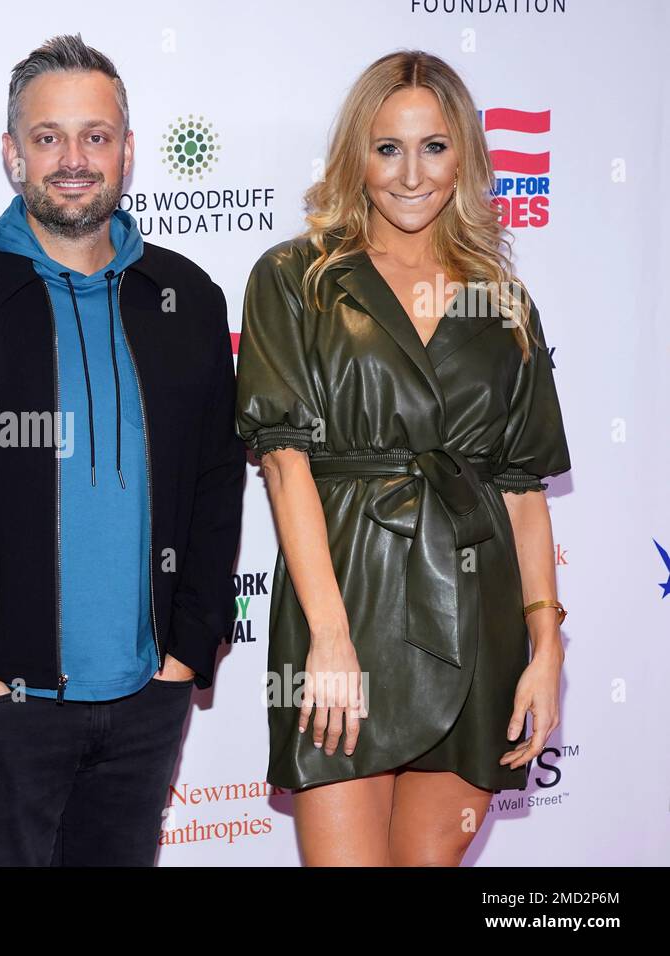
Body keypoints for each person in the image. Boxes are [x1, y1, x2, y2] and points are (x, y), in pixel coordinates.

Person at [0, 35, 244, 866]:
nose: (73, 160)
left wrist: (188, 650)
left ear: (128, 151)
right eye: (48, 138)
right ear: (12, 154)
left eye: (95, 136)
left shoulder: (185, 298)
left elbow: (219, 484)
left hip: (149, 701)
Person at [236, 51, 571, 866]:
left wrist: (547, 647)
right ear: (357, 156)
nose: (411, 174)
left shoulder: (506, 303)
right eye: (388, 148)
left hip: (474, 616)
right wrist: (329, 640)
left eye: (434, 147)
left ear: (465, 157)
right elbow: (285, 464)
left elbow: (522, 491)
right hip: (347, 601)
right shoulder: (297, 280)